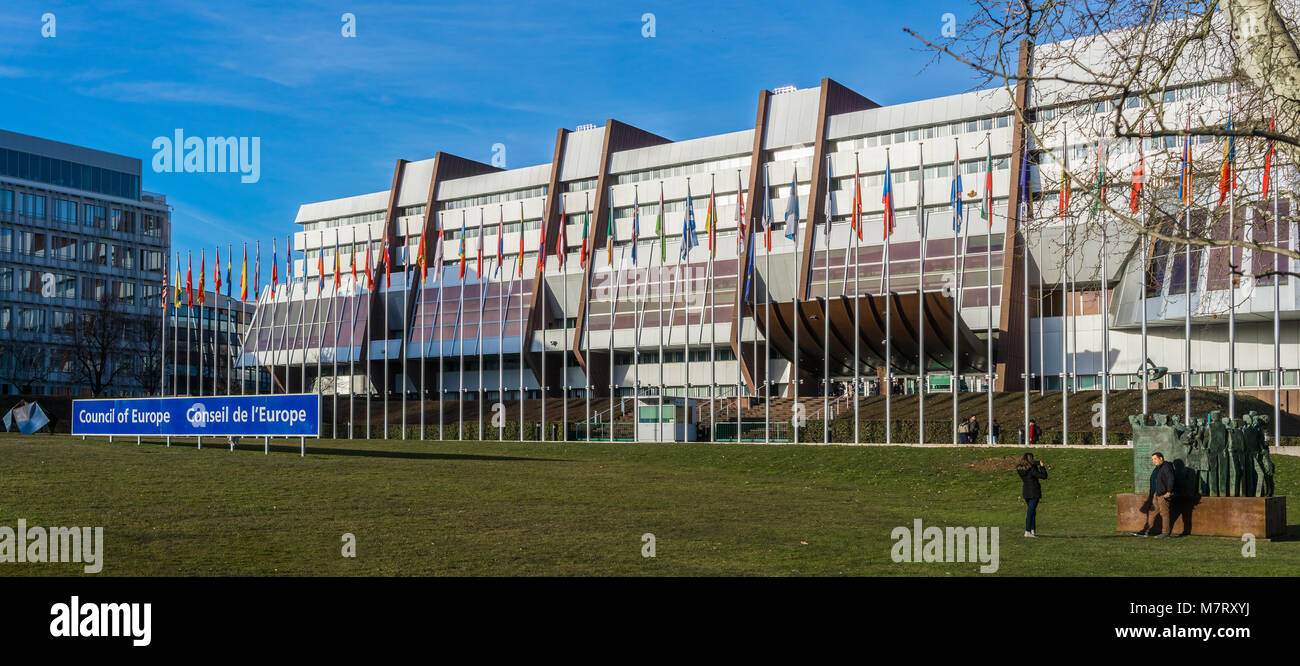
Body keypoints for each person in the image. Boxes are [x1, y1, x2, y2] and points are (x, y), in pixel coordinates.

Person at [1148, 452, 1180, 538]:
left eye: (1155, 459)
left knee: (1164, 513)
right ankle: (1147, 530)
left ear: (1161, 458)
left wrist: (1169, 491)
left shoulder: (1166, 467)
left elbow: (1171, 478)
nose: (1153, 461)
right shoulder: (1158, 468)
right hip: (1157, 493)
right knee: (1152, 512)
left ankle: (1165, 533)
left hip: (1163, 494)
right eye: (1152, 459)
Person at [1016, 453, 1048, 537]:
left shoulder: (1020, 469)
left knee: (1032, 511)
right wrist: (1041, 466)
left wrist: (1035, 463)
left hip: (1026, 492)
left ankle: (1032, 530)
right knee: (1030, 512)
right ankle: (1027, 531)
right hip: (1034, 492)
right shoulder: (1032, 469)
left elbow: (1027, 466)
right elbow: (1044, 476)